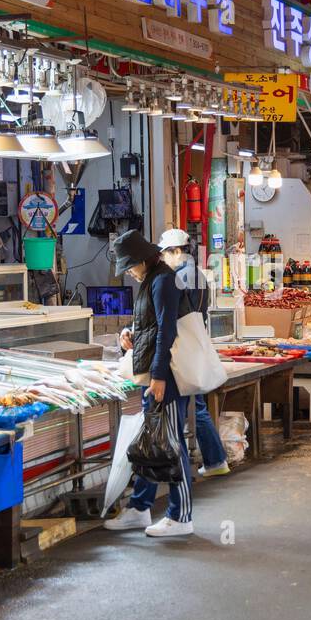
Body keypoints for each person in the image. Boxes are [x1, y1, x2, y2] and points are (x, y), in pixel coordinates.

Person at [104, 229, 196, 537]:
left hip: (165, 377)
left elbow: (166, 331)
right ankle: (140, 507)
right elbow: (148, 324)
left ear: (144, 258)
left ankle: (181, 516)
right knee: (152, 440)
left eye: (130, 264)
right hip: (155, 376)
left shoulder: (163, 281)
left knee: (171, 443)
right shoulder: (149, 281)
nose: (128, 271)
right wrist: (127, 334)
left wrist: (158, 377)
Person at [157, 227, 229, 478]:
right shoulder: (196, 274)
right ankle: (215, 459)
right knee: (197, 405)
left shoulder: (181, 276)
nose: (163, 259)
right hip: (195, 344)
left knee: (196, 407)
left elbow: (175, 317)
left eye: (166, 253)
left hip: (186, 348)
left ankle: (216, 460)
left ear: (177, 251)